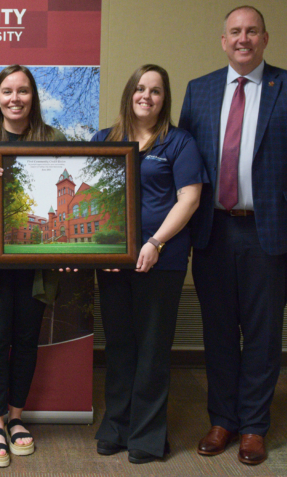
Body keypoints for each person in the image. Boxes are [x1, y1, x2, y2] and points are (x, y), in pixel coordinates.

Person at [179, 6, 287, 466]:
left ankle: (254, 428)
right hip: (212, 230)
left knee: (262, 335)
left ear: (265, 38)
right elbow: (183, 163)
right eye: (235, 32)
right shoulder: (198, 91)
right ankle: (223, 420)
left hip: (271, 232)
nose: (243, 39)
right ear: (223, 40)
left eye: (252, 31)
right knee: (219, 331)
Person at [92, 65, 205, 463]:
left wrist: (155, 242)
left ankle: (148, 436)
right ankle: (116, 426)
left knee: (153, 349)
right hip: (113, 262)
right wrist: (99, 252)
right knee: (119, 346)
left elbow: (188, 199)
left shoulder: (179, 142)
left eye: (155, 91)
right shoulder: (104, 139)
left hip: (163, 258)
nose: (147, 96)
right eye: (140, 88)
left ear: (164, 99)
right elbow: (100, 199)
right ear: (129, 92)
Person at [0, 65, 65, 468]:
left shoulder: (53, 139)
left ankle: (18, 419)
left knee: (26, 341)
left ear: (32, 97)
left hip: (36, 258)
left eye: (22, 91)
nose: (15, 98)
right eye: (7, 91)